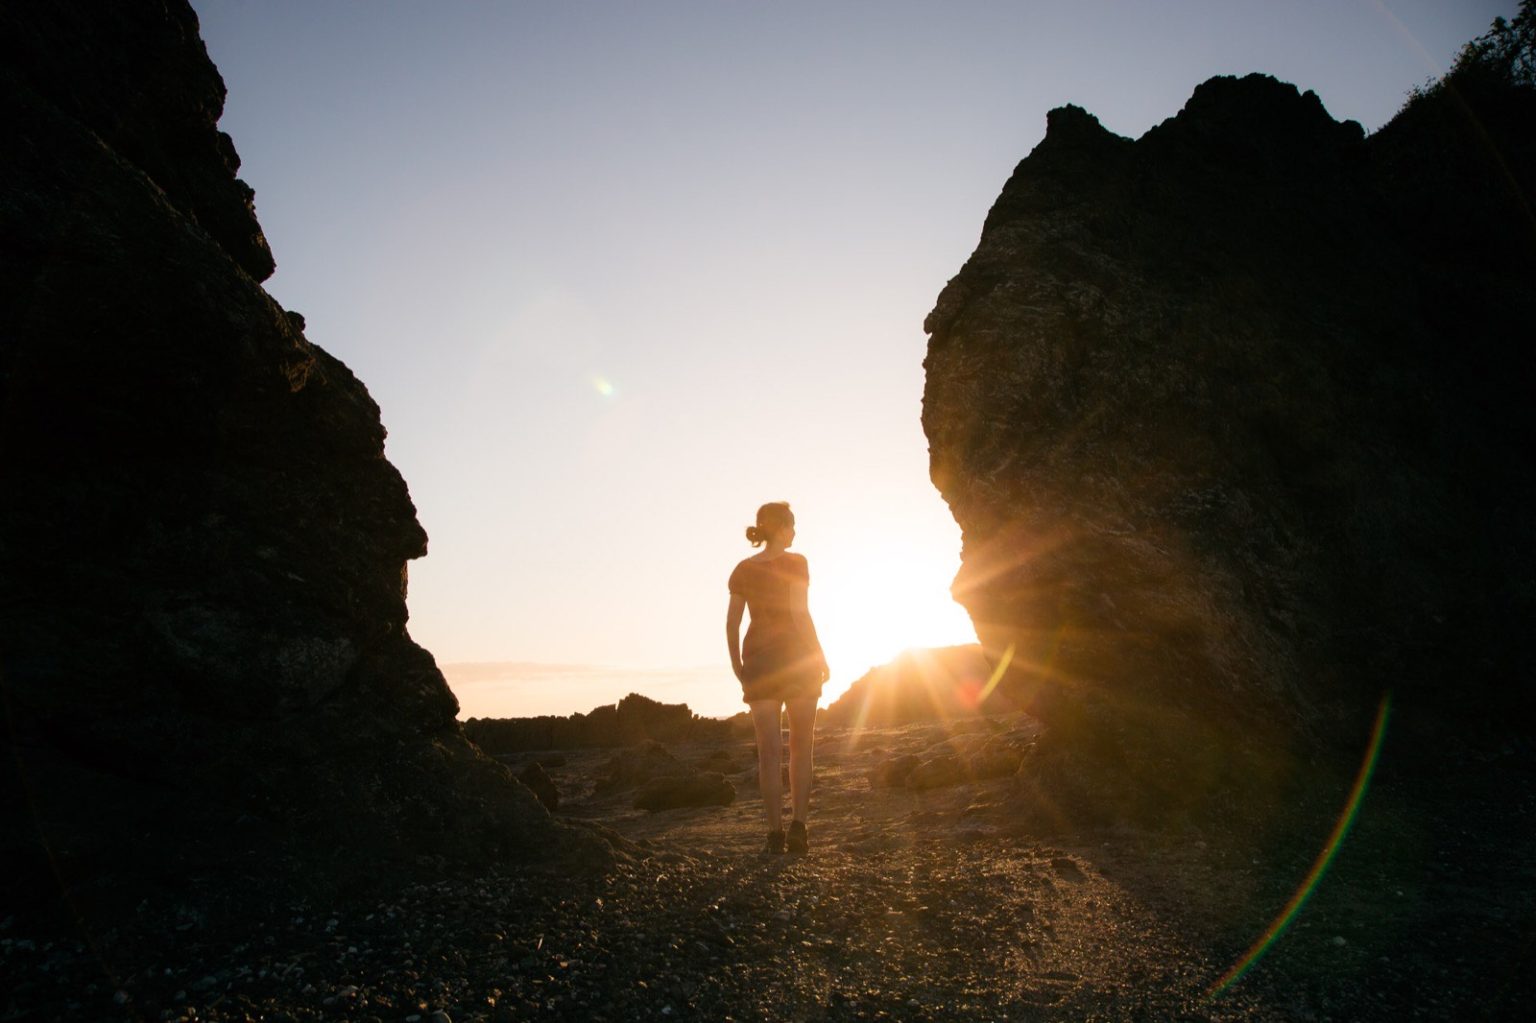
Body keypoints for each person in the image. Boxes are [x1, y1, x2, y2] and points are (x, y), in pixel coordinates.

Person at [726, 501, 830, 854]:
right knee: (802, 747)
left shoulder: (742, 570)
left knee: (768, 754)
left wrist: (737, 665)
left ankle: (774, 834)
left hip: (758, 664)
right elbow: (801, 615)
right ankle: (798, 827)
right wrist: (820, 655)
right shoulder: (796, 563)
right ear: (780, 528)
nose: (795, 533)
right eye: (792, 526)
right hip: (798, 661)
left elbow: (732, 623)